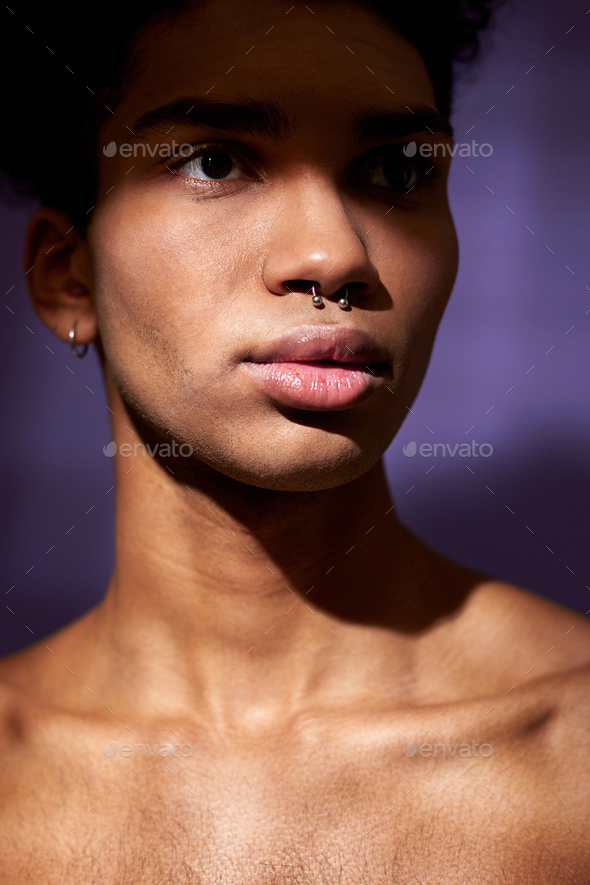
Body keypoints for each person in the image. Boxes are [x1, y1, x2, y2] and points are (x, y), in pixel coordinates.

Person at [0, 1, 588, 881]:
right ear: (65, 276)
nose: (335, 253)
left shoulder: (572, 752)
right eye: (216, 161)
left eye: (394, 170)